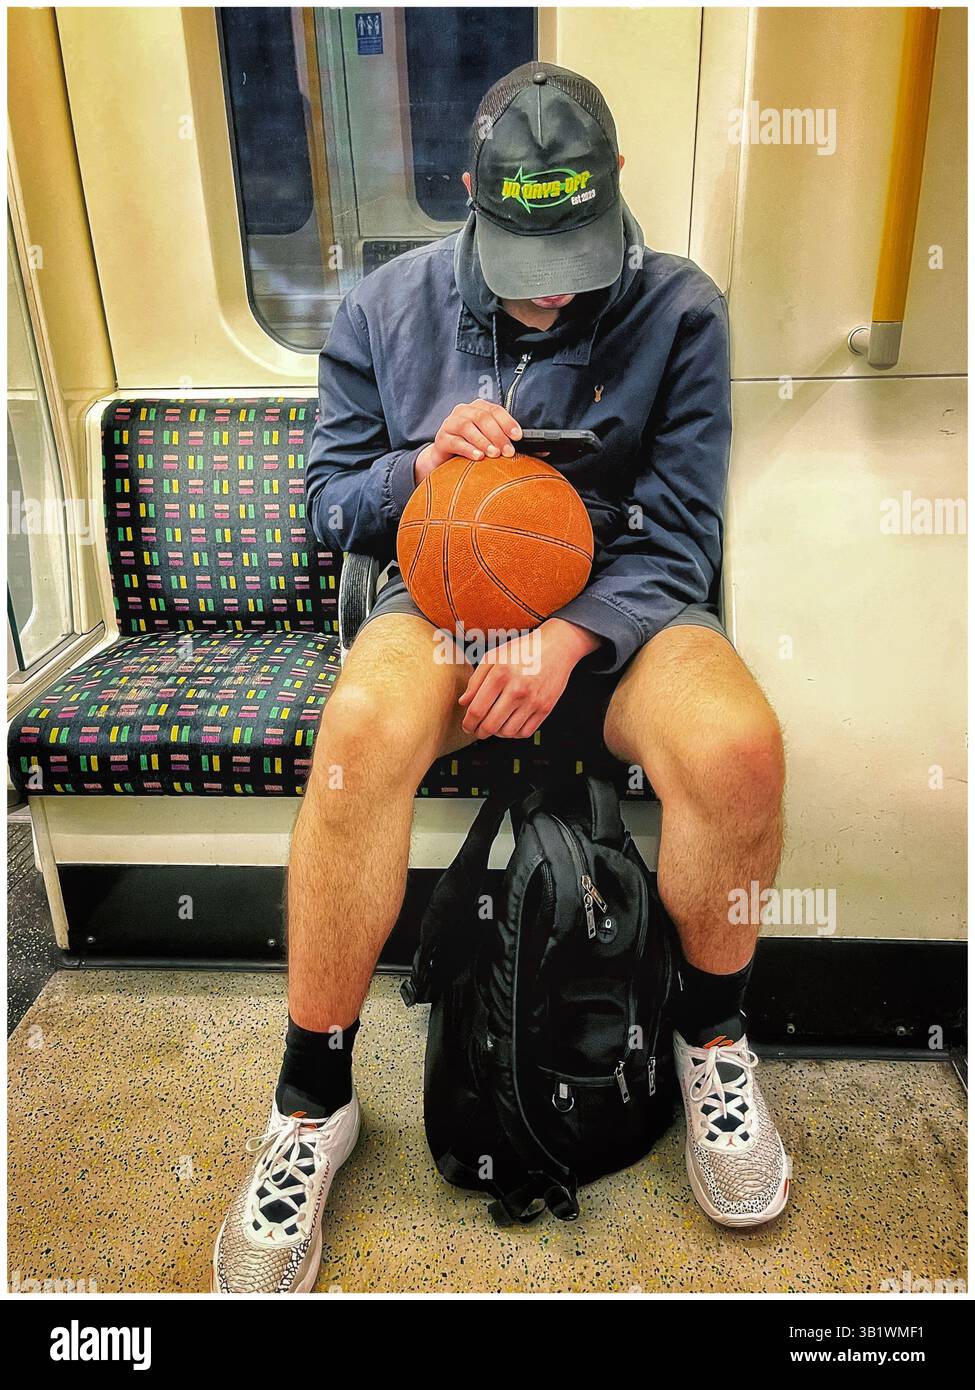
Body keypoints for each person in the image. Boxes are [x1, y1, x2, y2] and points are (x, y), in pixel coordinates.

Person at [213, 61, 789, 1295]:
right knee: (357, 734)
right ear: (471, 198)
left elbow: (684, 533)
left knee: (739, 744)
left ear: (615, 187)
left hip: (618, 611)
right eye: (531, 265)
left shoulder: (683, 312)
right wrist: (419, 466)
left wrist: (573, 636)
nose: (558, 294)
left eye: (579, 255)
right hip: (440, 609)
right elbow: (328, 509)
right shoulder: (383, 308)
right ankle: (313, 1101)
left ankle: (713, 1036)